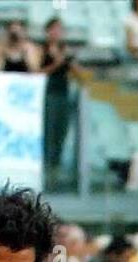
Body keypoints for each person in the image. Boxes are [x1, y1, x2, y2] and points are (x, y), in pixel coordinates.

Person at [40, 17, 78, 185]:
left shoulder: (65, 50)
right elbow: (40, 71)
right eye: (54, 29)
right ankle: (46, 169)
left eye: (59, 30)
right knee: (48, 133)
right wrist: (57, 62)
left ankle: (55, 170)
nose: (57, 33)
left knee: (60, 133)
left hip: (63, 94)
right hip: (48, 94)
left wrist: (68, 60)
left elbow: (75, 71)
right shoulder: (41, 50)